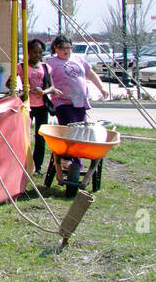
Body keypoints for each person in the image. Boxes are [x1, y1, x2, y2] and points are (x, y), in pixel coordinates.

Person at [44, 35, 108, 186]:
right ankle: (71, 161)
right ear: (56, 48)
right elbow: (46, 79)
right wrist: (50, 90)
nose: (66, 51)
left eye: (68, 48)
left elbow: (90, 74)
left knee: (81, 132)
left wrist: (102, 88)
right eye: (62, 48)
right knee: (71, 129)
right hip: (62, 102)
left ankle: (75, 161)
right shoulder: (51, 63)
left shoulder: (79, 59)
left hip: (80, 102)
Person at [24, 39, 53, 182]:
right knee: (25, 136)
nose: (37, 55)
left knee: (40, 137)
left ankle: (38, 165)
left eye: (40, 52)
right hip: (27, 105)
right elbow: (10, 82)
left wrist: (44, 91)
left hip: (42, 105)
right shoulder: (21, 67)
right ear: (28, 52)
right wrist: (23, 88)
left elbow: (51, 86)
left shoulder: (45, 67)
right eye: (35, 52)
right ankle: (25, 164)